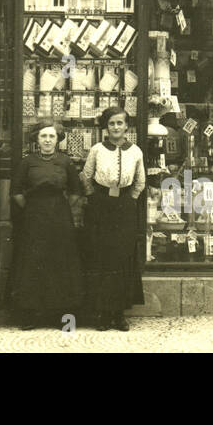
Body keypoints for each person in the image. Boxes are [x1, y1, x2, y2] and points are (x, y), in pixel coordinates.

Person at [7, 123, 84, 329]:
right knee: (33, 262)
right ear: (37, 139)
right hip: (34, 218)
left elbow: (76, 191)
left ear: (57, 139)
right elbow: (15, 191)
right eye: (43, 136)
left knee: (60, 263)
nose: (48, 140)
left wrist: (62, 208)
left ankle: (61, 316)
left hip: (59, 217)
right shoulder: (27, 162)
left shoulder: (65, 161)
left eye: (51, 136)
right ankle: (31, 314)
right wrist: (32, 207)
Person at [81, 107, 146, 331]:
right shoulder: (97, 150)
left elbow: (140, 181)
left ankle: (119, 313)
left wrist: (129, 201)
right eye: (112, 124)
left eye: (120, 123)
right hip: (101, 206)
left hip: (125, 207)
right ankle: (102, 313)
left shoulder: (136, 151)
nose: (116, 127)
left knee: (122, 258)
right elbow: (86, 177)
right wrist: (96, 199)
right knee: (102, 257)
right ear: (105, 127)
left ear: (127, 126)